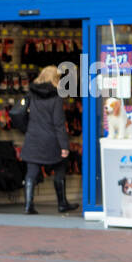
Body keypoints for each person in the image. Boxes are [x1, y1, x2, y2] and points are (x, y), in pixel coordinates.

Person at [21, 65, 79, 214]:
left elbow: (20, 113)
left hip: (33, 138)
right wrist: (64, 146)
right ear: (55, 79)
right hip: (51, 140)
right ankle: (62, 203)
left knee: (31, 172)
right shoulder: (56, 98)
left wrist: (26, 129)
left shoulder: (31, 94)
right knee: (59, 168)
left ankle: (28, 205)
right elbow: (59, 124)